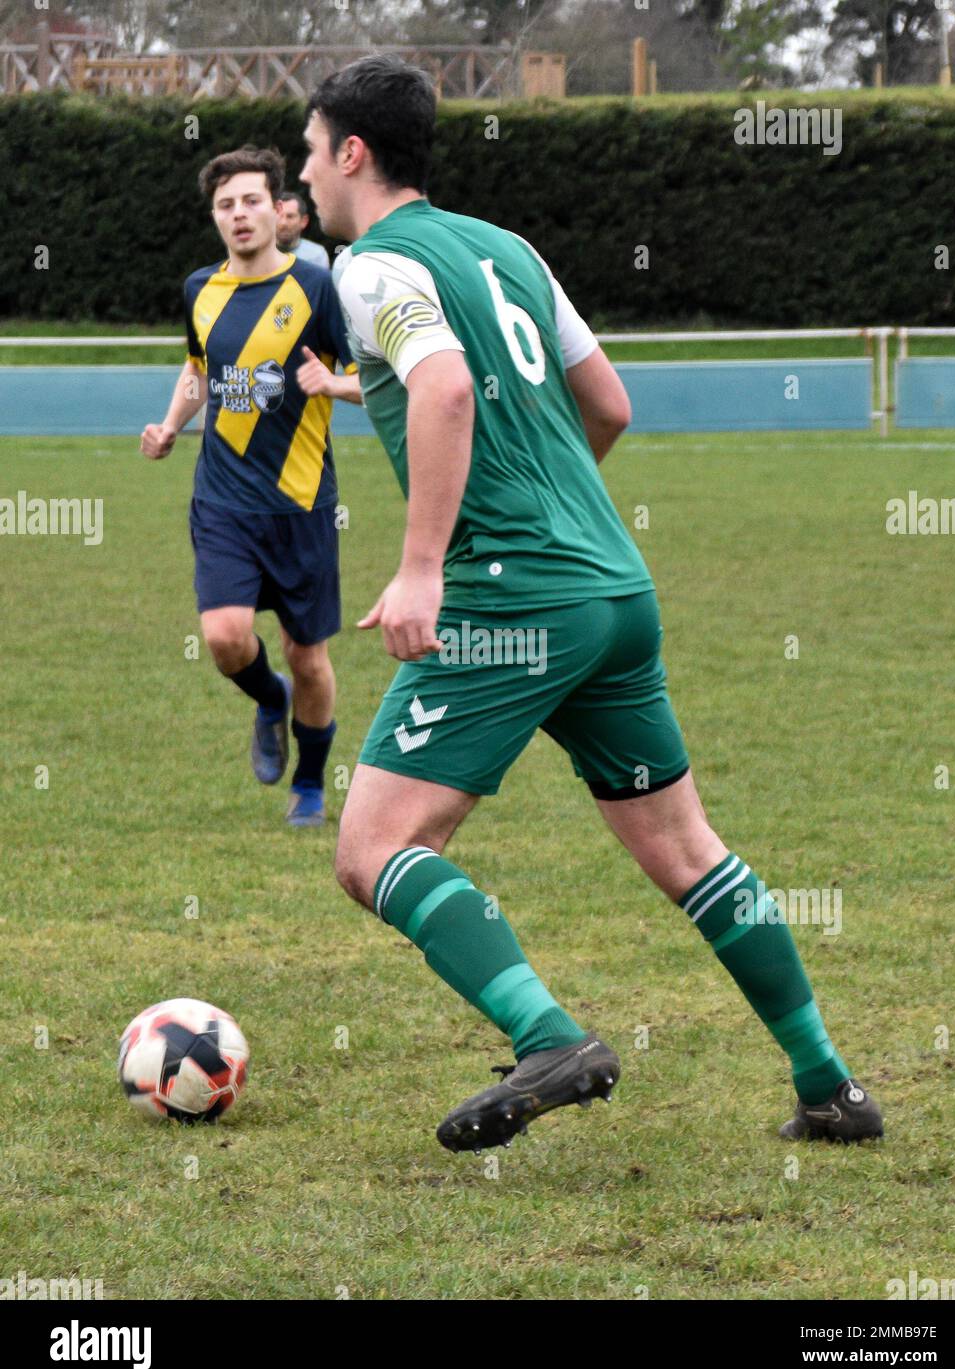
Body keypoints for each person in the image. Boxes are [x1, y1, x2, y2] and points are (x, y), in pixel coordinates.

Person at [298, 57, 884, 1152]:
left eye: (308, 149)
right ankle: (829, 1086)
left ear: (353, 154)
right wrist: (563, 523)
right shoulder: (512, 251)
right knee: (686, 849)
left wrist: (426, 566)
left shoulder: (367, 267)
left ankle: (549, 1035)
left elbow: (444, 387)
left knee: (374, 845)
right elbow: (609, 403)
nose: (302, 173)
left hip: (510, 596)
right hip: (614, 583)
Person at [141, 146, 361, 827]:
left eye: (251, 201)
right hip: (223, 501)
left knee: (310, 656)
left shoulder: (316, 289)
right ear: (215, 217)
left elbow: (376, 378)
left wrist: (333, 384)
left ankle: (312, 783)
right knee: (226, 639)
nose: (239, 215)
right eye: (225, 205)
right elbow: (199, 371)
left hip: (300, 505)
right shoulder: (198, 290)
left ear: (278, 208)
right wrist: (172, 423)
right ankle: (270, 699)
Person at [277, 190, 331, 270]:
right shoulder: (257, 253)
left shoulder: (316, 255)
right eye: (278, 216)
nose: (283, 223)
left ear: (304, 221)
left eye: (290, 216)